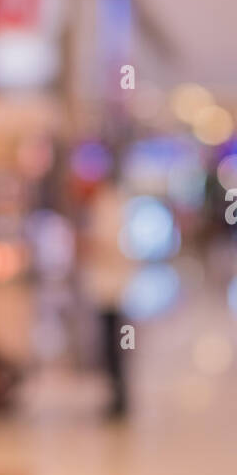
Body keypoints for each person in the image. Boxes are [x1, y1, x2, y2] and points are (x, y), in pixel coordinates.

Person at [83, 175, 134, 420]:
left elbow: (109, 244)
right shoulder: (104, 207)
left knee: (115, 347)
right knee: (110, 347)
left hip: (112, 289)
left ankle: (120, 398)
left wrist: (86, 244)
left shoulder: (108, 208)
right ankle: (116, 395)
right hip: (107, 288)